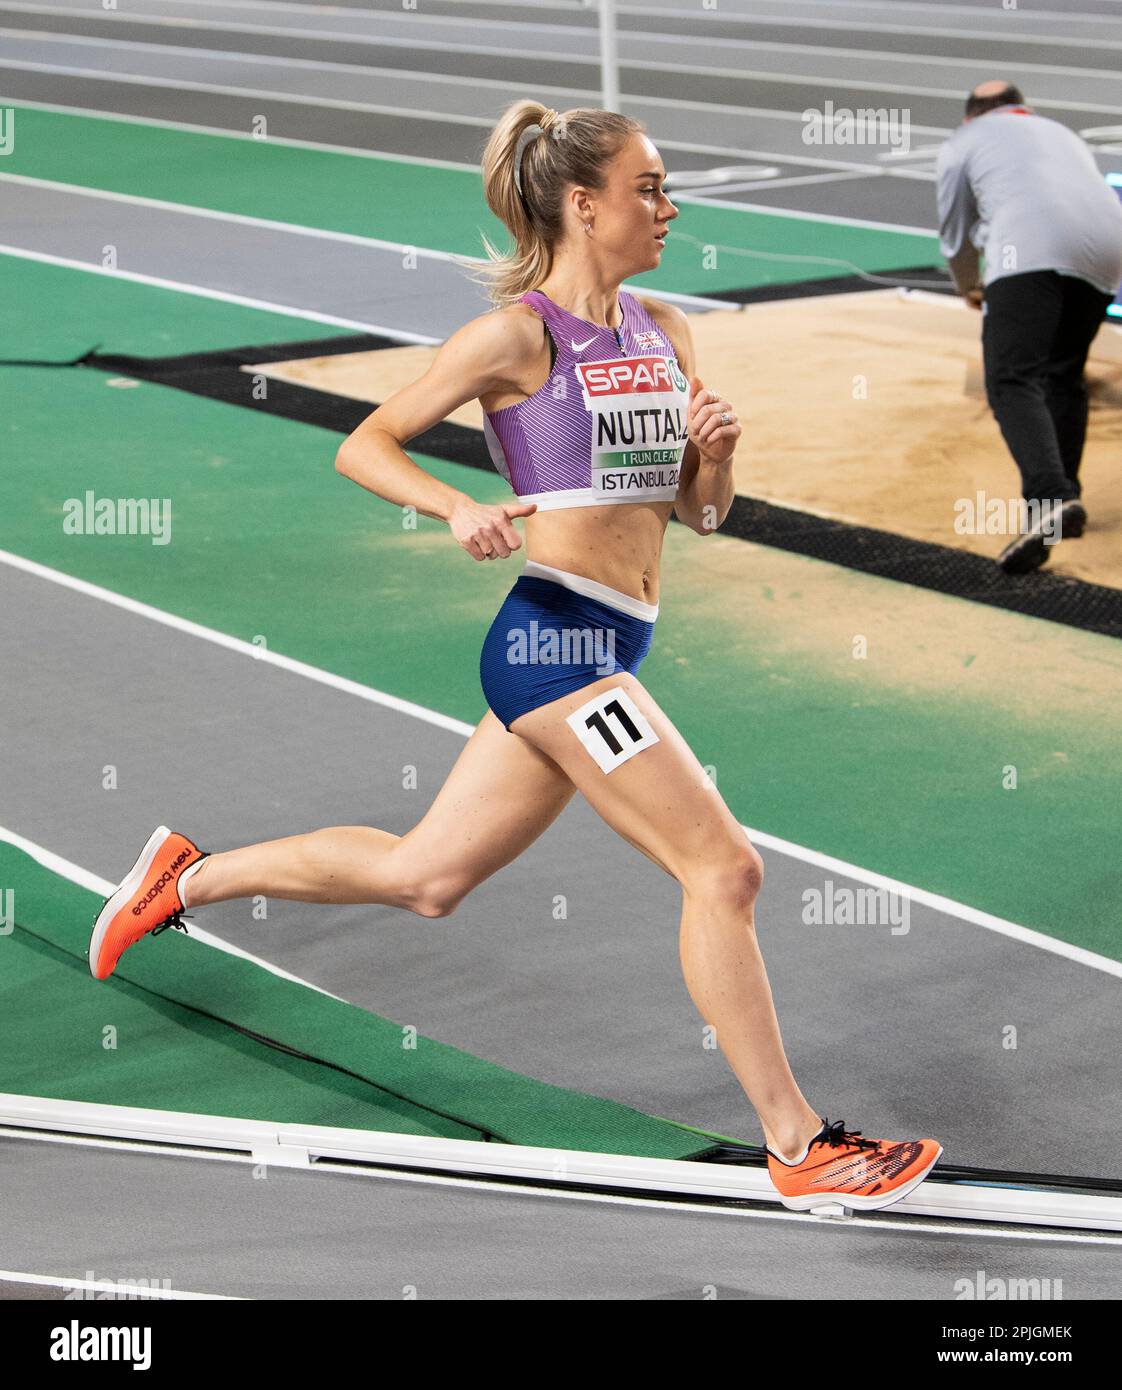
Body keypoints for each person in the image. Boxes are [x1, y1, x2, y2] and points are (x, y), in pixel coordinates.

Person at [87, 100, 942, 1214]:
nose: (670, 206)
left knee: (425, 877)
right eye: (650, 187)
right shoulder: (516, 339)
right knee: (724, 869)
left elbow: (698, 514)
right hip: (556, 646)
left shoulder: (667, 331)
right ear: (585, 205)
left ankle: (185, 877)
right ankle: (798, 1144)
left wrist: (715, 460)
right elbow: (365, 441)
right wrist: (453, 507)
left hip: (613, 635)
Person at [937, 80, 1122, 574]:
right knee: (1064, 374)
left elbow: (955, 236)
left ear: (969, 117)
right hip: (1109, 249)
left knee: (1012, 378)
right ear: (1025, 109)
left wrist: (969, 287)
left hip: (1027, 250)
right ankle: (1068, 506)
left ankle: (1050, 497)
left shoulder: (963, 141)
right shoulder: (1057, 130)